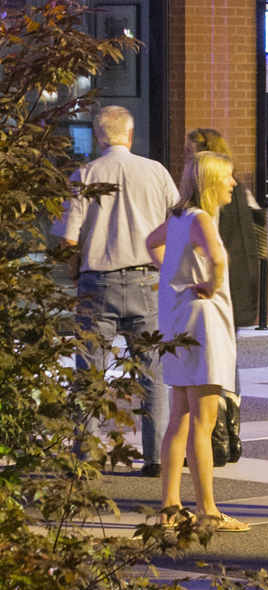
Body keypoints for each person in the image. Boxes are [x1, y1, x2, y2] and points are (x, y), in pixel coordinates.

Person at [52, 103, 178, 474]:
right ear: (131, 135)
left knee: (89, 371)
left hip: (97, 282)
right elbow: (179, 222)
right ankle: (156, 458)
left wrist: (75, 271)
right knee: (152, 372)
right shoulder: (156, 172)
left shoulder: (85, 174)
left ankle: (86, 455)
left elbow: (67, 242)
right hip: (147, 281)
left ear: (97, 136)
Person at [147, 152, 246, 534]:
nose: (233, 184)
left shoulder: (178, 218)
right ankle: (209, 511)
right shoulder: (202, 219)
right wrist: (212, 283)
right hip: (203, 321)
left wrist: (171, 271)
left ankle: (170, 506)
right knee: (203, 422)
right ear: (212, 182)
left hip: (177, 319)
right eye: (229, 178)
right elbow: (218, 258)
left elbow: (150, 242)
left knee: (180, 418)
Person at [182, 127, 268, 333]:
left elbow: (220, 252)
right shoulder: (233, 190)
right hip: (231, 286)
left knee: (216, 353)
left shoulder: (219, 196)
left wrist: (212, 284)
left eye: (188, 151)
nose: (183, 156)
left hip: (220, 288)